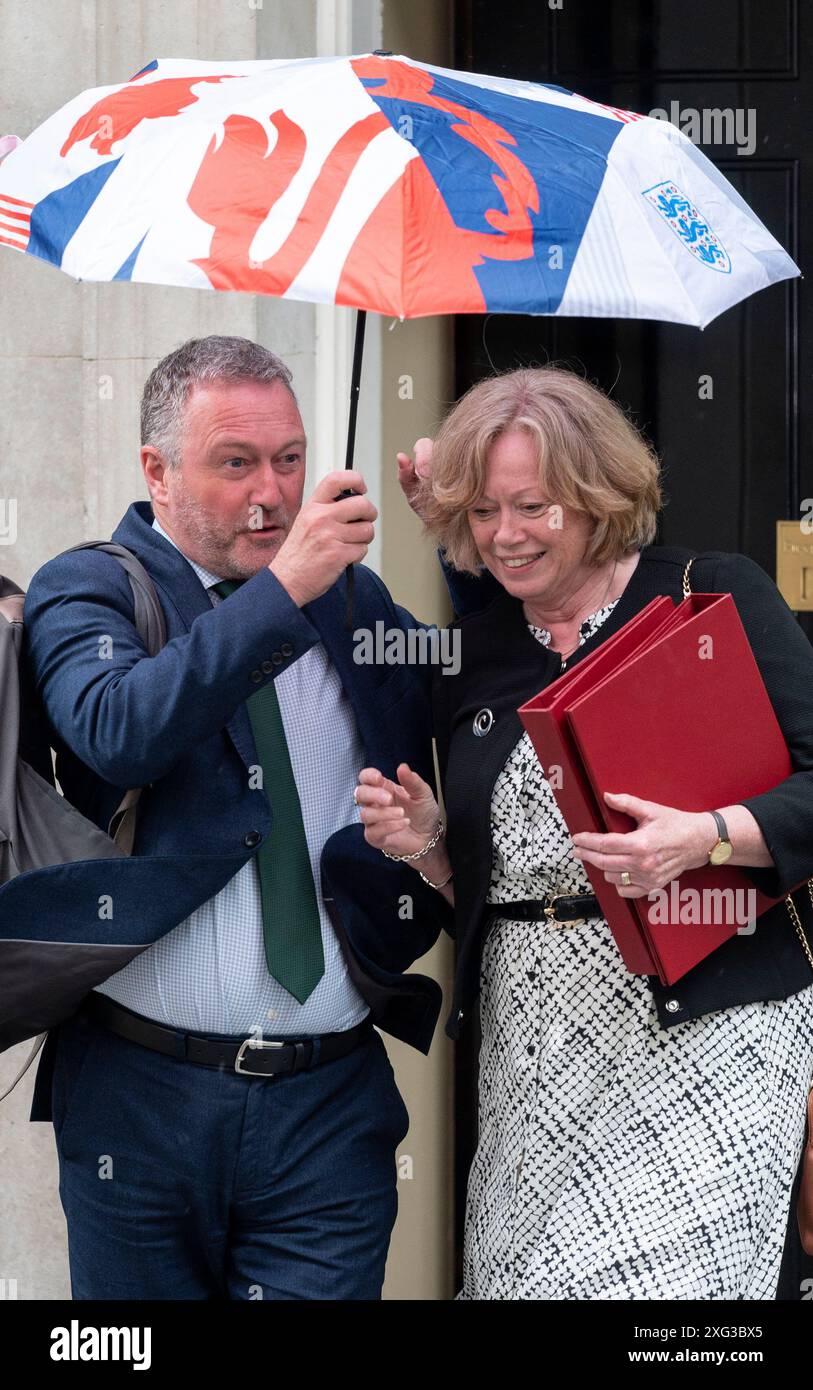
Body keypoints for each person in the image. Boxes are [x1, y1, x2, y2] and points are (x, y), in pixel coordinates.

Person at [357, 364, 813, 1300]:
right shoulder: (473, 654)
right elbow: (492, 888)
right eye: (481, 512)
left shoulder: (703, 598)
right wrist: (425, 842)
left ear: (594, 495)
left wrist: (710, 838)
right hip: (533, 1048)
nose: (507, 535)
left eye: (534, 507)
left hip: (710, 1025)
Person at [23, 334, 454, 1301]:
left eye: (290, 459)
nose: (272, 491)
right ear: (157, 469)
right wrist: (280, 592)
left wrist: (466, 547)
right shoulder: (88, 586)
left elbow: (469, 700)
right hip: (138, 1105)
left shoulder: (354, 600)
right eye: (236, 463)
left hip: (327, 1109)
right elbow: (118, 730)